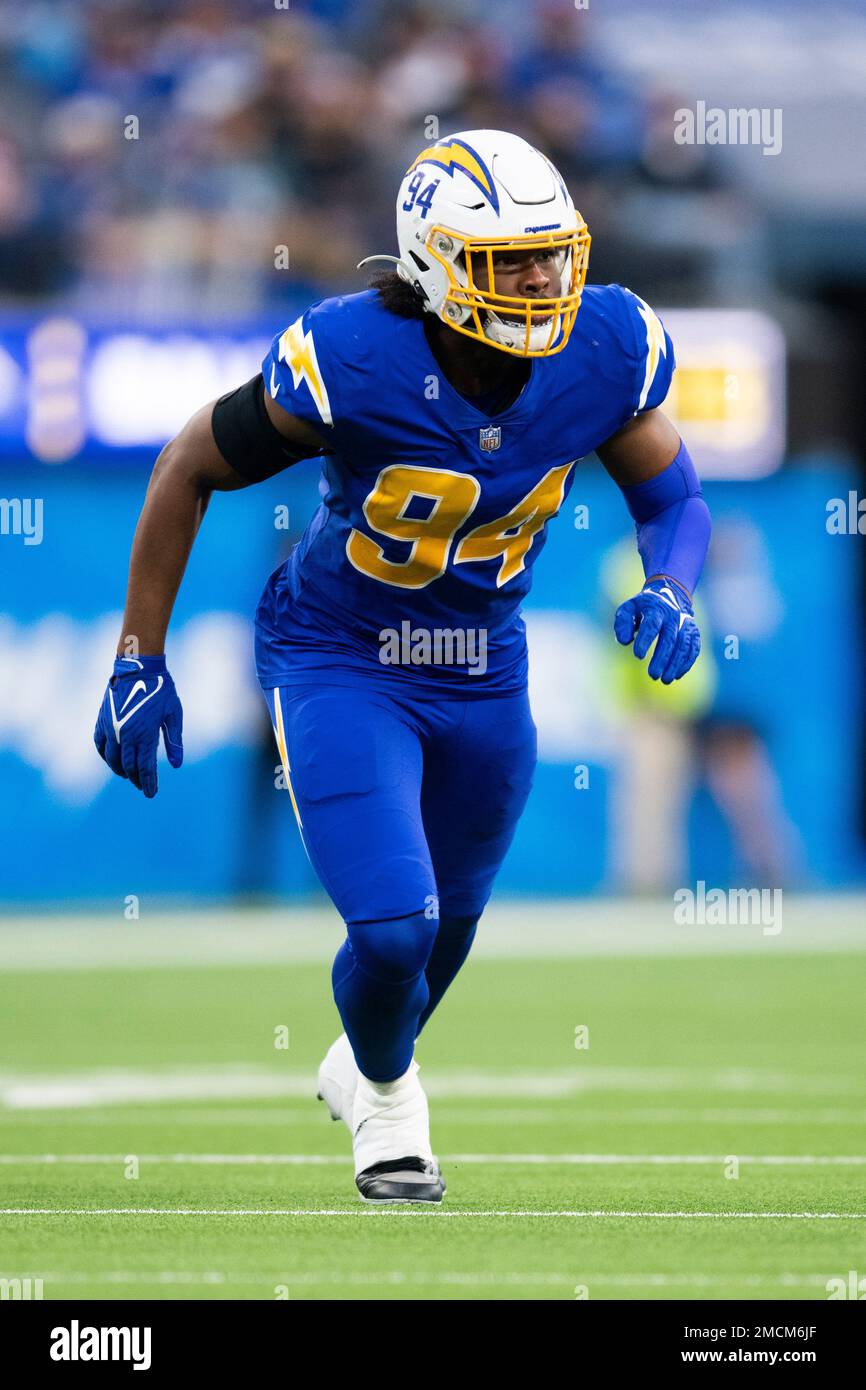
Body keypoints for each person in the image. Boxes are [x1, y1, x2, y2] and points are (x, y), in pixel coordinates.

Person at [94, 130, 711, 1203]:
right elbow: (190, 461)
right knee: (392, 928)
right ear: (433, 263)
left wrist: (671, 583)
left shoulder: (603, 345)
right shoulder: (355, 357)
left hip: (483, 668)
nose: (539, 277)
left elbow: (673, 499)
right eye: (505, 257)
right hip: (341, 656)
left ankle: (363, 1059)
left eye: (549, 252)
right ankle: (388, 1103)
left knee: (443, 938)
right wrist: (138, 652)